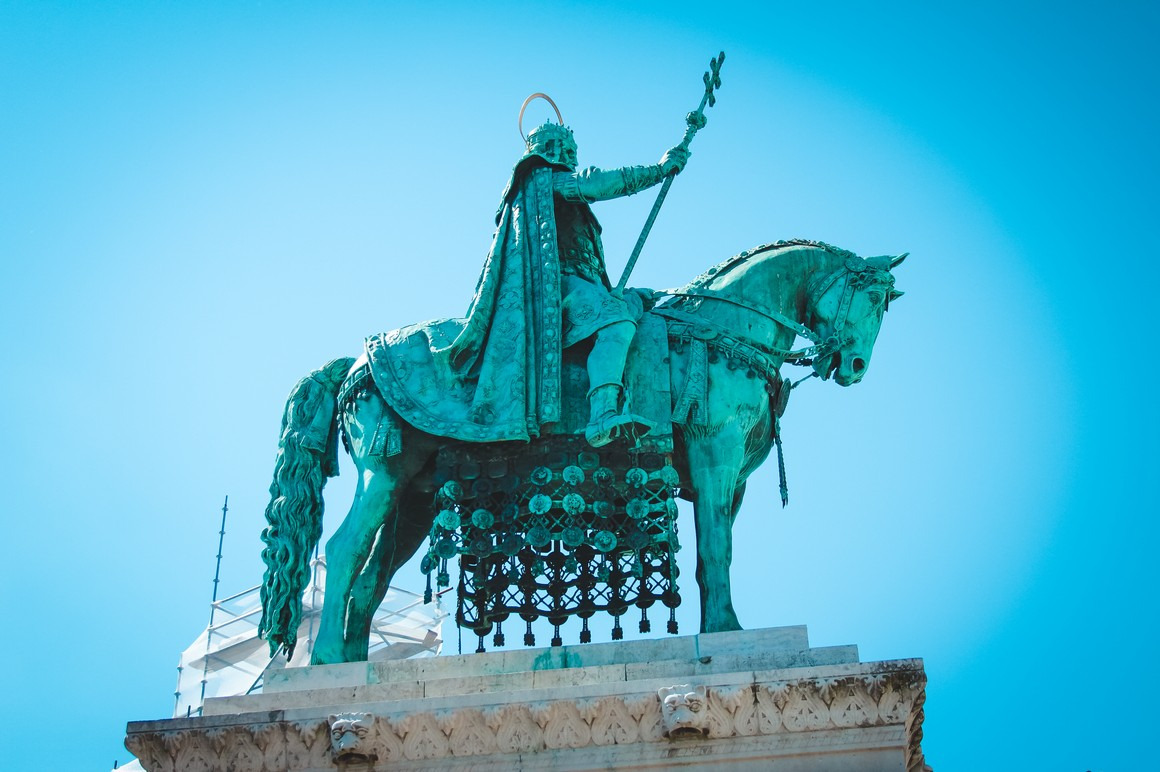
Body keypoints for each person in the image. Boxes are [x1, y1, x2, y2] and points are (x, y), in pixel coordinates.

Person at [452, 120, 688, 447]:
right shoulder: (544, 181)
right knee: (618, 324)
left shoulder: (558, 195)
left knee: (643, 315)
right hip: (555, 291)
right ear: (552, 149)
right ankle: (602, 416)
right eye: (569, 151)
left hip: (583, 288)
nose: (573, 158)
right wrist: (658, 170)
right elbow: (594, 183)